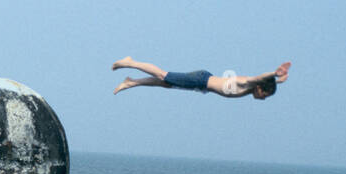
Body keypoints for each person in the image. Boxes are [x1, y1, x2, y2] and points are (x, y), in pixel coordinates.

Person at [111, 58, 291, 99]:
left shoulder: (253, 88)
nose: (263, 99)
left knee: (165, 84)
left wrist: (279, 80)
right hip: (201, 80)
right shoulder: (247, 83)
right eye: (265, 96)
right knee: (162, 75)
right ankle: (130, 62)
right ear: (260, 88)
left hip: (203, 83)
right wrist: (274, 74)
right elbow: (261, 77)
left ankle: (131, 82)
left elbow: (268, 82)